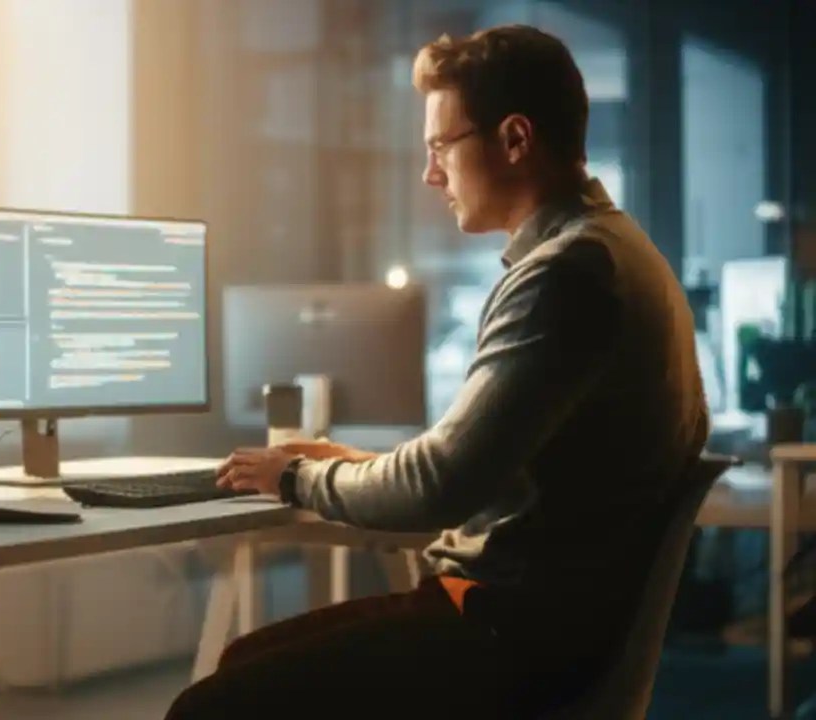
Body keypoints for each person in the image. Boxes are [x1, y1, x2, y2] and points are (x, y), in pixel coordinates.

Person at [165, 23, 708, 719]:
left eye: (440, 147)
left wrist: (295, 476)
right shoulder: (618, 251)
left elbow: (439, 488)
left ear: (515, 140)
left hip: (505, 633)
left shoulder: (568, 274)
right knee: (243, 666)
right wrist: (353, 462)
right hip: (547, 624)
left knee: (209, 708)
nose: (430, 175)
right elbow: (494, 469)